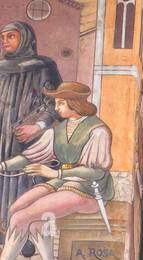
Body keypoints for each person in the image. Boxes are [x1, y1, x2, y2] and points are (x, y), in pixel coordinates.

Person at [0, 82, 112, 260]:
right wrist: (4, 165)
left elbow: (97, 172)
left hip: (87, 188)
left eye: (61, 103)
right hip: (61, 182)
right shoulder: (58, 131)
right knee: (16, 209)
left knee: (21, 218)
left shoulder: (98, 131)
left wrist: (56, 173)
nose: (57, 108)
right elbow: (28, 157)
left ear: (75, 104)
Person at [0, 22, 61, 224]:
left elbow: (55, 103)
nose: (5, 41)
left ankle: (23, 233)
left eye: (11, 36)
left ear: (25, 38)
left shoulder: (43, 67)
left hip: (26, 139)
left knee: (23, 183)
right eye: (3, 37)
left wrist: (38, 126)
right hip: (1, 136)